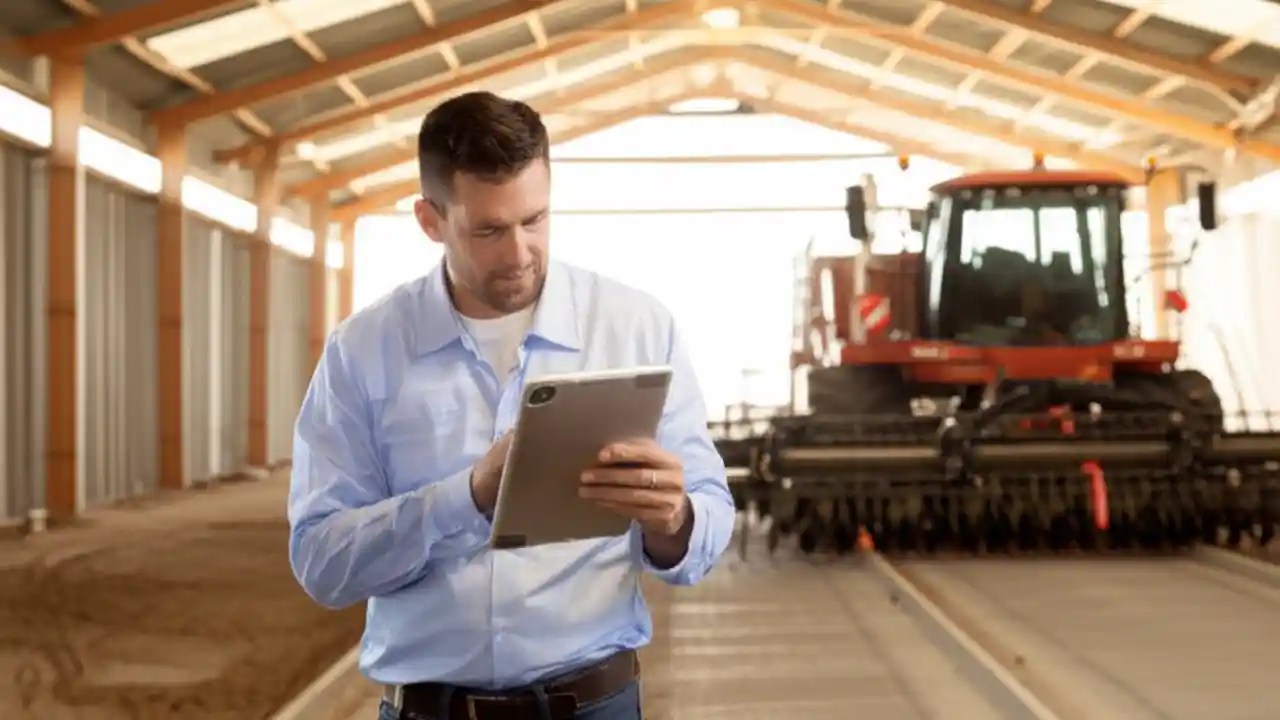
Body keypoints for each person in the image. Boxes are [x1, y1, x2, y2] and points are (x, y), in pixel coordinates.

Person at [286, 90, 736, 720]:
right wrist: (466, 496)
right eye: (490, 230)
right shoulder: (364, 352)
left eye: (536, 220)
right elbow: (321, 561)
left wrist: (674, 521)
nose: (520, 252)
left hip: (595, 705)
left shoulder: (635, 328)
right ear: (430, 220)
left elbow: (712, 516)